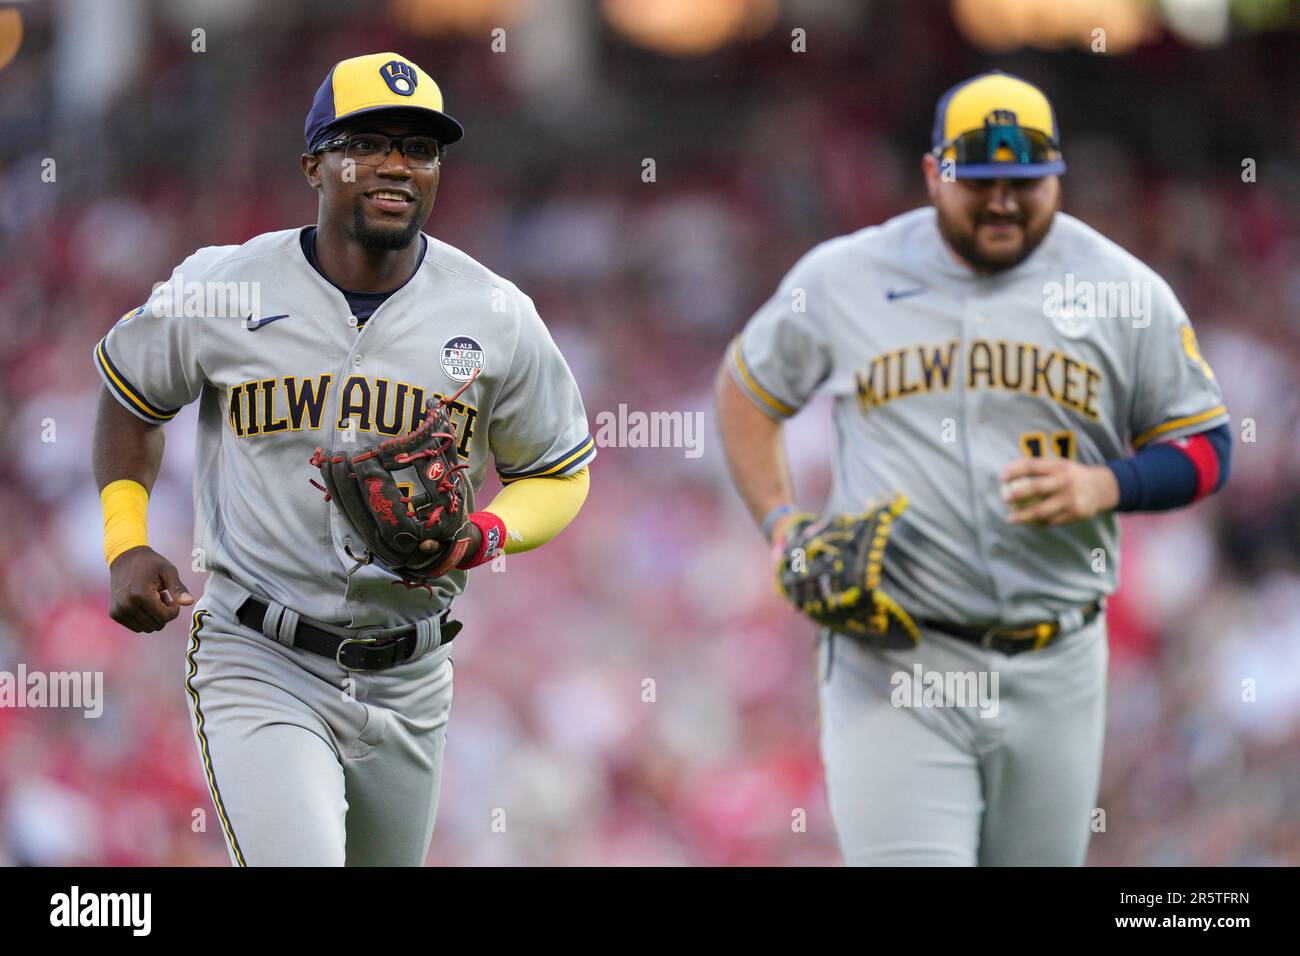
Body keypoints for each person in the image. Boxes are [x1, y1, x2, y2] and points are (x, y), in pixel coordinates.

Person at [715, 71, 1231, 865]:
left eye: (1023, 183)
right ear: (933, 175)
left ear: (1055, 177)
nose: (1001, 202)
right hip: (895, 658)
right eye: (978, 181)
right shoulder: (844, 275)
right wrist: (783, 523)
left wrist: (1109, 484)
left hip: (1057, 662)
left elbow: (1206, 449)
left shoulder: (1125, 291)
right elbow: (747, 392)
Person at [92, 52, 596, 866]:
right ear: (313, 165)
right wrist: (125, 538)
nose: (397, 165)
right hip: (262, 656)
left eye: (420, 148)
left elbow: (558, 471)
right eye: (367, 142)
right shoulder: (223, 287)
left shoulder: (496, 314)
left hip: (412, 675)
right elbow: (129, 397)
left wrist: (485, 534)